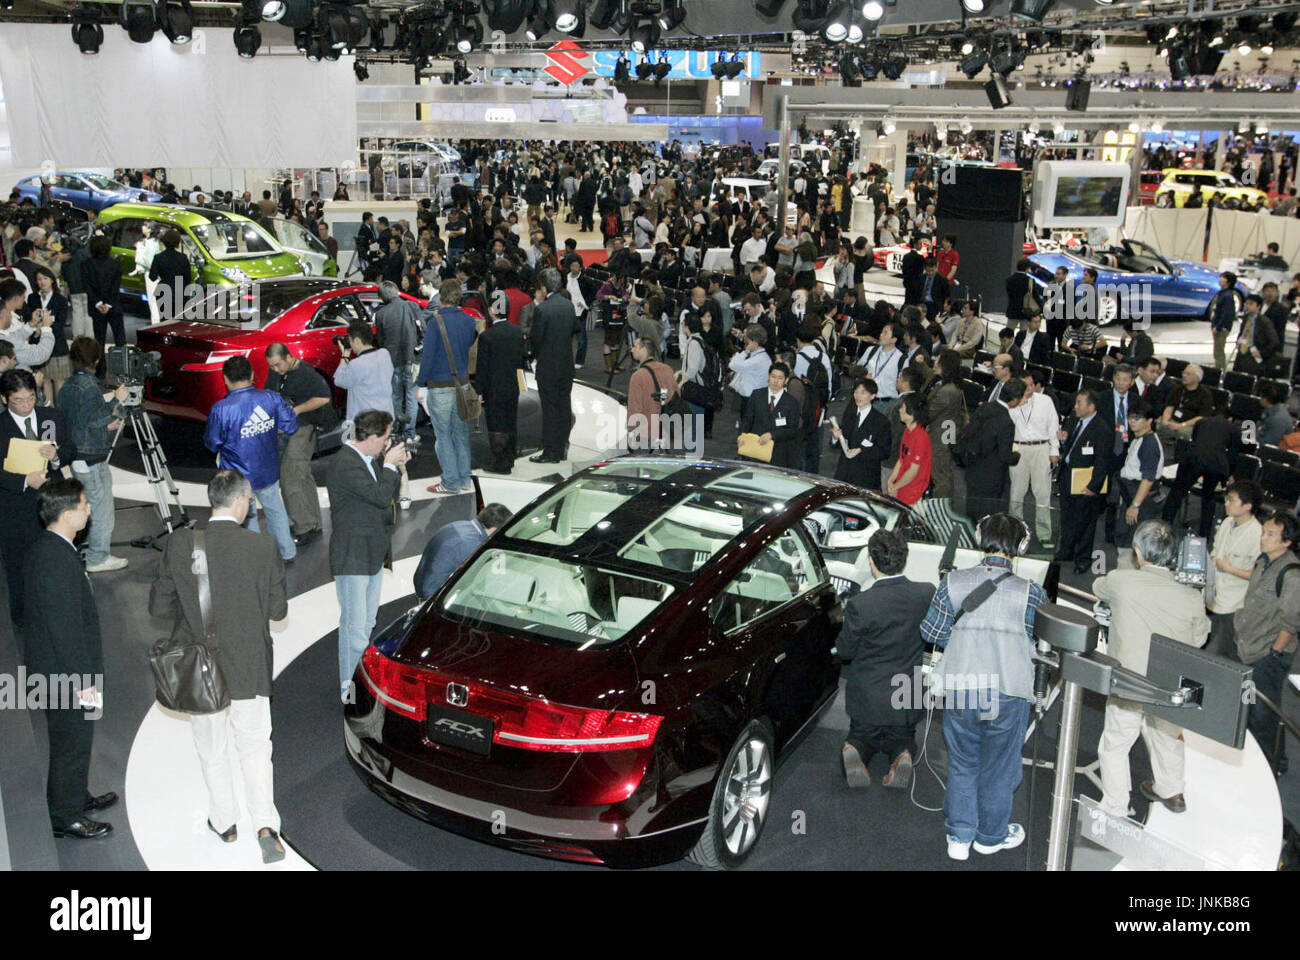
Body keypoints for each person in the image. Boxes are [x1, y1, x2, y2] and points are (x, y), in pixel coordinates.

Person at [148, 470, 289, 863]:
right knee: (256, 745)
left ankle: (224, 822)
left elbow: (159, 607)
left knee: (212, 747)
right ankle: (265, 826)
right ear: (242, 500)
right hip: (249, 663)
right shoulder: (263, 547)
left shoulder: (179, 543)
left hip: (200, 665)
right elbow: (277, 610)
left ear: (213, 500)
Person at [922, 513, 1046, 860]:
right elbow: (1043, 643)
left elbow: (931, 634)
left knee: (962, 763)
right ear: (1021, 546)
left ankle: (958, 838)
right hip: (1009, 693)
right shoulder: (1031, 593)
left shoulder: (954, 582)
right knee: (1000, 767)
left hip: (963, 687)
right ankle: (990, 837)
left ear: (980, 539)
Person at [1093, 520, 1210, 817]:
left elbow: (1098, 586)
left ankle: (1117, 805)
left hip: (1129, 681)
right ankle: (1172, 791)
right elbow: (1199, 638)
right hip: (1170, 683)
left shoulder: (1121, 581)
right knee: (1167, 736)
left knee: (1116, 742)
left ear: (1137, 551)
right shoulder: (1192, 596)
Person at [24, 478, 118, 840]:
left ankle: (75, 795)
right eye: (83, 504)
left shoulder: (49, 549)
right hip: (66, 677)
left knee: (75, 739)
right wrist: (85, 682)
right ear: (66, 514)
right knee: (71, 743)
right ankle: (66, 816)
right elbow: (64, 631)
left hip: (59, 672)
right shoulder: (56, 561)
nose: (88, 508)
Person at [836, 528, 935, 788]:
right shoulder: (925, 593)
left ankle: (856, 749)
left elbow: (845, 652)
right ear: (905, 558)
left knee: (861, 735)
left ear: (871, 561)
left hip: (868, 697)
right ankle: (901, 755)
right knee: (903, 737)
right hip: (906, 694)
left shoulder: (862, 603)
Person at [328, 409, 410, 702]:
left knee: (365, 624)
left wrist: (391, 465)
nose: (388, 443)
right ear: (373, 438)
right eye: (386, 437)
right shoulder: (345, 464)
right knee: (354, 629)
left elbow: (382, 498)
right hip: (353, 558)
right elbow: (378, 497)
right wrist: (389, 467)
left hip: (371, 555)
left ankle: (359, 681)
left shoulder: (367, 459)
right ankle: (349, 692)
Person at [202, 356, 299, 563]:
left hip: (238, 476)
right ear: (252, 375)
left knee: (248, 516)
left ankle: (256, 560)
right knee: (276, 510)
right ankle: (287, 552)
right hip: (268, 469)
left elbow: (212, 443)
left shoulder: (221, 409)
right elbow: (291, 425)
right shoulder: (271, 398)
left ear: (225, 379)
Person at [1, 368, 72, 623]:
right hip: (15, 510)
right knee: (19, 567)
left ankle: (56, 611)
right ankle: (24, 619)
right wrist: (24, 480)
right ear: (4, 399)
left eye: (31, 398)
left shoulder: (51, 417)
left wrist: (56, 456)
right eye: (18, 400)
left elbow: (70, 449)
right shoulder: (1, 427)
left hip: (53, 505)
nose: (26, 405)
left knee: (55, 562)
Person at [56, 338, 130, 572]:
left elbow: (78, 419)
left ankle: (90, 547)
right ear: (97, 361)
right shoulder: (89, 387)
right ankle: (99, 557)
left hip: (77, 454)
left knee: (86, 504)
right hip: (92, 458)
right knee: (101, 510)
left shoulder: (68, 386)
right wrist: (117, 401)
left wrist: (102, 425)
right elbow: (97, 416)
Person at [1234, 511, 1300, 772]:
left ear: (1287, 542)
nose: (1263, 537)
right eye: (1264, 531)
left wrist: (1274, 653)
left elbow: (1291, 623)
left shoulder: (1292, 576)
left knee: (1263, 712)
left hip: (1268, 655)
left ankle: (1271, 764)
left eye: (1270, 534)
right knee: (1249, 705)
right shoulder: (1263, 562)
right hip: (1250, 645)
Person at [264, 343, 336, 544]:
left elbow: (324, 398)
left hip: (303, 430)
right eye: (272, 366)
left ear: (289, 357)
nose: (275, 370)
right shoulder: (276, 374)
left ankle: (304, 526)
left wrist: (296, 410)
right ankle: (313, 522)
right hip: (287, 431)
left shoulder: (306, 374)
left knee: (291, 477)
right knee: (302, 476)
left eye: (278, 365)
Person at [416, 278, 477, 491]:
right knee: (460, 434)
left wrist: (420, 384)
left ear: (441, 297)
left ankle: (450, 481)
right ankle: (464, 479)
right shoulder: (469, 321)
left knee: (443, 436)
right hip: (463, 385)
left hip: (440, 387)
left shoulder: (436, 322)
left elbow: (428, 357)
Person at [1160, 398, 1237, 539]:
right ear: (1230, 418)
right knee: (1208, 498)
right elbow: (1232, 455)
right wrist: (1228, 477)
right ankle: (1204, 535)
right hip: (1216, 465)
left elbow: (1196, 442)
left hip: (1193, 460)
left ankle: (1164, 528)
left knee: (1176, 493)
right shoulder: (1233, 428)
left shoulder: (1202, 422)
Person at [1206, 480, 1264, 658]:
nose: (1226, 504)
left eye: (1232, 500)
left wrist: (1230, 569)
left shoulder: (1258, 535)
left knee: (1225, 651)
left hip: (1235, 602)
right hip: (1213, 590)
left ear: (1247, 506)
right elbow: (1216, 550)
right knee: (1203, 640)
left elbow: (1259, 576)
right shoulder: (1227, 522)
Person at [1056, 389, 1112, 575]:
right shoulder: (1073, 419)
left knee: (1086, 522)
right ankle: (1066, 550)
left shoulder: (1102, 429)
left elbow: (1103, 461)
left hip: (1086, 483)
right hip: (1067, 476)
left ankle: (1083, 558)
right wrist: (1064, 439)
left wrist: (1093, 486)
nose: (1075, 406)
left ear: (1091, 406)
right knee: (1067, 517)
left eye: (1079, 403)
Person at [528, 268, 578, 464]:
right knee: (564, 406)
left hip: (548, 366)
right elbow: (575, 329)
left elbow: (536, 340)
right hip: (566, 363)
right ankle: (562, 446)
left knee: (549, 410)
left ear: (543, 286)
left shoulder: (542, 309)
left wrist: (536, 355)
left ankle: (550, 452)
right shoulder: (568, 305)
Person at [414, 503, 513, 600]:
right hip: (432, 594)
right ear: (494, 529)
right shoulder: (471, 544)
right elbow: (474, 580)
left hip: (422, 580)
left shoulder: (462, 525)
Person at [964, 378, 1025, 519]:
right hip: (991, 478)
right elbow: (1005, 456)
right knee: (987, 516)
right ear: (1015, 400)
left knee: (971, 512)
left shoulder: (984, 407)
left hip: (973, 468)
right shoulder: (1007, 423)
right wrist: (1016, 455)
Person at [476, 305, 525, 474]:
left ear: (492, 311)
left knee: (496, 424)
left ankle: (500, 463)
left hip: (494, 388)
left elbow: (482, 367)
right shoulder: (517, 332)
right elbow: (521, 361)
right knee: (511, 422)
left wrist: (480, 391)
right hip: (513, 385)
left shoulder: (487, 337)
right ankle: (510, 458)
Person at [374, 281, 421, 444]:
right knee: (411, 397)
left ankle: (394, 431)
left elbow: (380, 340)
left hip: (392, 361)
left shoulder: (380, 314)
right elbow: (423, 330)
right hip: (412, 357)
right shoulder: (412, 306)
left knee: (395, 396)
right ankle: (409, 434)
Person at [1113, 399, 1163, 549]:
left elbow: (1148, 479)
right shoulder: (1140, 438)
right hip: (1131, 492)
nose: (1132, 421)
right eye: (1130, 417)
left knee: (1133, 542)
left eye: (1137, 418)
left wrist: (1135, 505)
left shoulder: (1149, 444)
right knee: (1124, 537)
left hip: (1141, 497)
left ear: (1149, 421)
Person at [829, 377, 891, 490]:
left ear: (873, 396)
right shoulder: (849, 414)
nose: (858, 396)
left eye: (863, 392)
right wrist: (835, 437)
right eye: (856, 392)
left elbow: (884, 451)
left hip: (866, 476)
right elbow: (842, 441)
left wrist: (861, 450)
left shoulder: (881, 421)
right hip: (844, 473)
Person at [738, 362, 801, 468]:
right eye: (773, 376)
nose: (775, 381)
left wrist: (772, 435)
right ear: (768, 376)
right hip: (754, 450)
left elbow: (792, 430)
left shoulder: (791, 402)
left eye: (780, 378)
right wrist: (741, 436)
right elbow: (747, 420)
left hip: (777, 454)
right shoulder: (757, 395)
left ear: (786, 380)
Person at [626, 336, 680, 453]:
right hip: (664, 430)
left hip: (646, 433)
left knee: (644, 468)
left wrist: (631, 433)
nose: (632, 349)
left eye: (635, 346)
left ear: (644, 350)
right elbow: (676, 395)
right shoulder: (667, 369)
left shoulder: (638, 376)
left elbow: (635, 410)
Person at [25, 267, 71, 402]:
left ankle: (61, 410)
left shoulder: (61, 300)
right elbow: (29, 317)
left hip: (57, 346)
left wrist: (46, 327)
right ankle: (49, 409)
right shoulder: (32, 298)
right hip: (38, 344)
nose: (42, 282)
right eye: (39, 279)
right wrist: (36, 329)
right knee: (44, 379)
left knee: (58, 380)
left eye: (45, 278)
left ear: (52, 280)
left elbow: (61, 324)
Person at [82, 236, 125, 376]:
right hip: (114, 307)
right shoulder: (116, 264)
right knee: (120, 339)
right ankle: (123, 369)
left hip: (96, 308)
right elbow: (116, 287)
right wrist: (109, 303)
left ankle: (101, 371)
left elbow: (87, 287)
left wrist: (98, 303)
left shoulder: (86, 264)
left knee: (99, 340)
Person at [887, 393, 930, 506]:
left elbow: (913, 470)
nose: (900, 410)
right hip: (902, 487)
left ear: (912, 413)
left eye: (903, 408)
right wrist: (891, 479)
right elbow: (902, 459)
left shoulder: (921, 437)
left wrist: (895, 486)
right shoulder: (907, 431)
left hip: (913, 494)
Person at [147, 230, 192, 323]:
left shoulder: (158, 257)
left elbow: (152, 277)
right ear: (178, 242)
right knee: (178, 322)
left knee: (164, 321)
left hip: (163, 291)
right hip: (180, 292)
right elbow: (188, 279)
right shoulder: (183, 258)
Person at [1208, 271, 1238, 371]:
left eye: (1223, 278)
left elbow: (1227, 314)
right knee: (1217, 350)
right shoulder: (1222, 293)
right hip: (1217, 325)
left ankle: (1220, 371)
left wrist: (1218, 327)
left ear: (1228, 281)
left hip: (1222, 328)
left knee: (1219, 351)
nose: (1220, 279)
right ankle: (1218, 368)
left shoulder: (1228, 296)